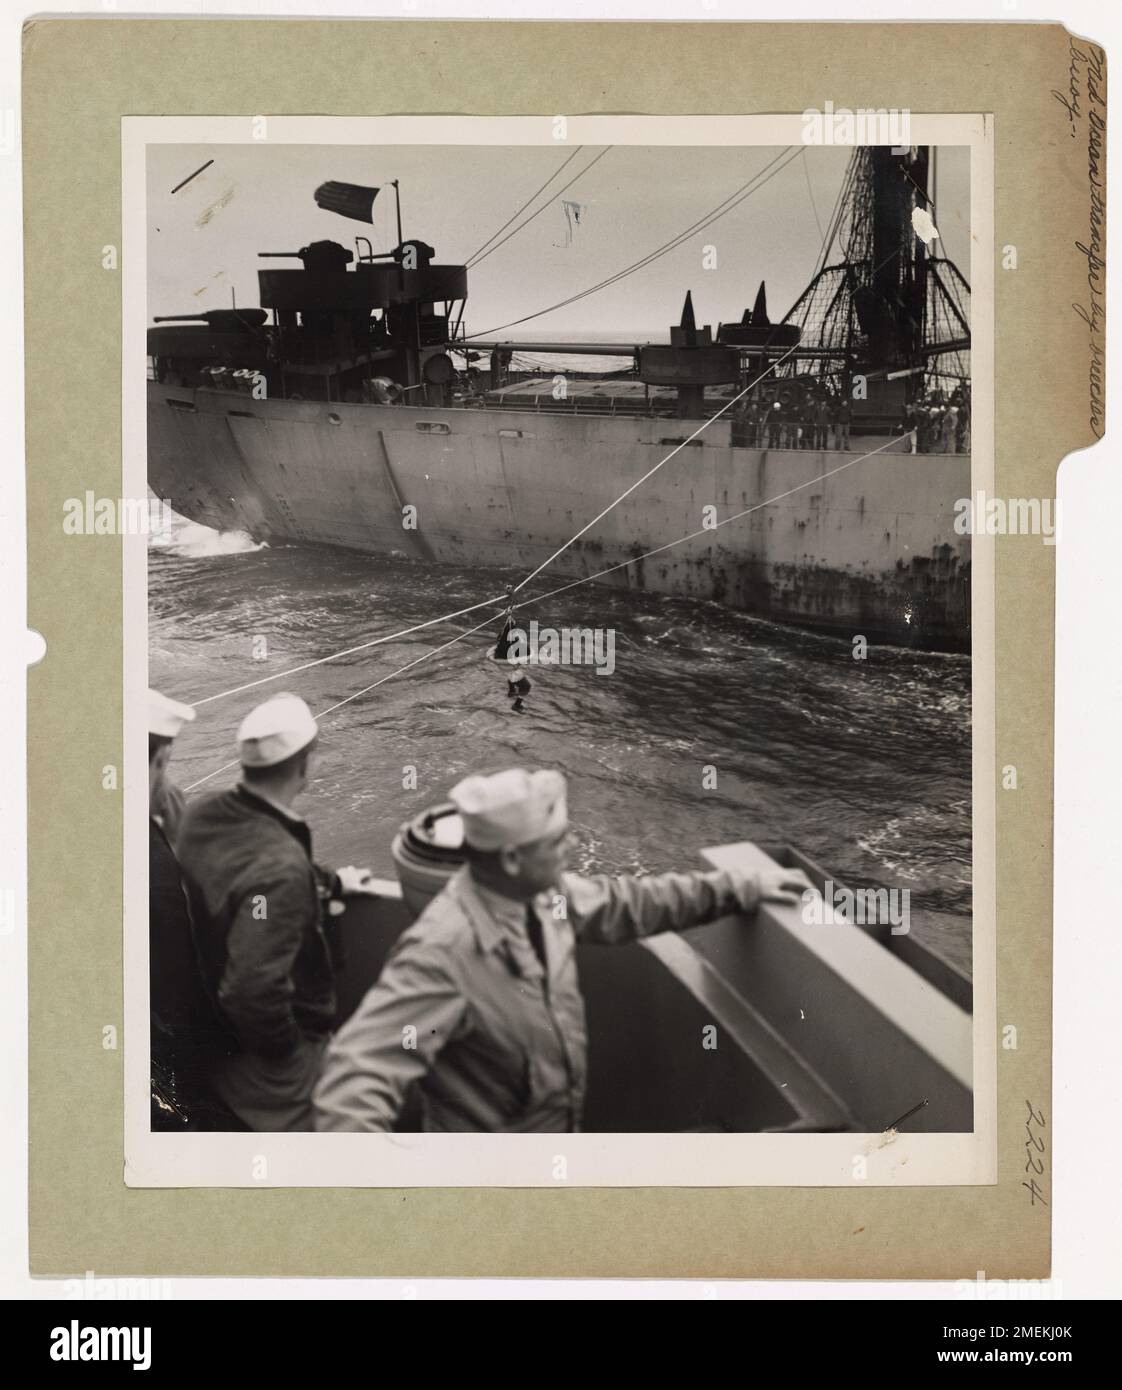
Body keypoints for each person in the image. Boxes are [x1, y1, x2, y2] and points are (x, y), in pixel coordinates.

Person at [313, 768, 811, 1134]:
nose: (570, 846)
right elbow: (353, 1082)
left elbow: (629, 904)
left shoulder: (544, 897)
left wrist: (740, 888)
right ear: (511, 858)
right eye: (555, 841)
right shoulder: (443, 954)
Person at [176, 692, 378, 1131]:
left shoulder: (199, 815)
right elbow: (251, 990)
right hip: (273, 1065)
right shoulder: (281, 870)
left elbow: (243, 865)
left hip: (210, 1037)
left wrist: (329, 881)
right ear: (306, 763)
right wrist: (289, 1054)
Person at [149, 687, 218, 1129]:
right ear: (155, 765)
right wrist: (178, 847)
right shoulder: (154, 867)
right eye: (163, 765)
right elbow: (181, 989)